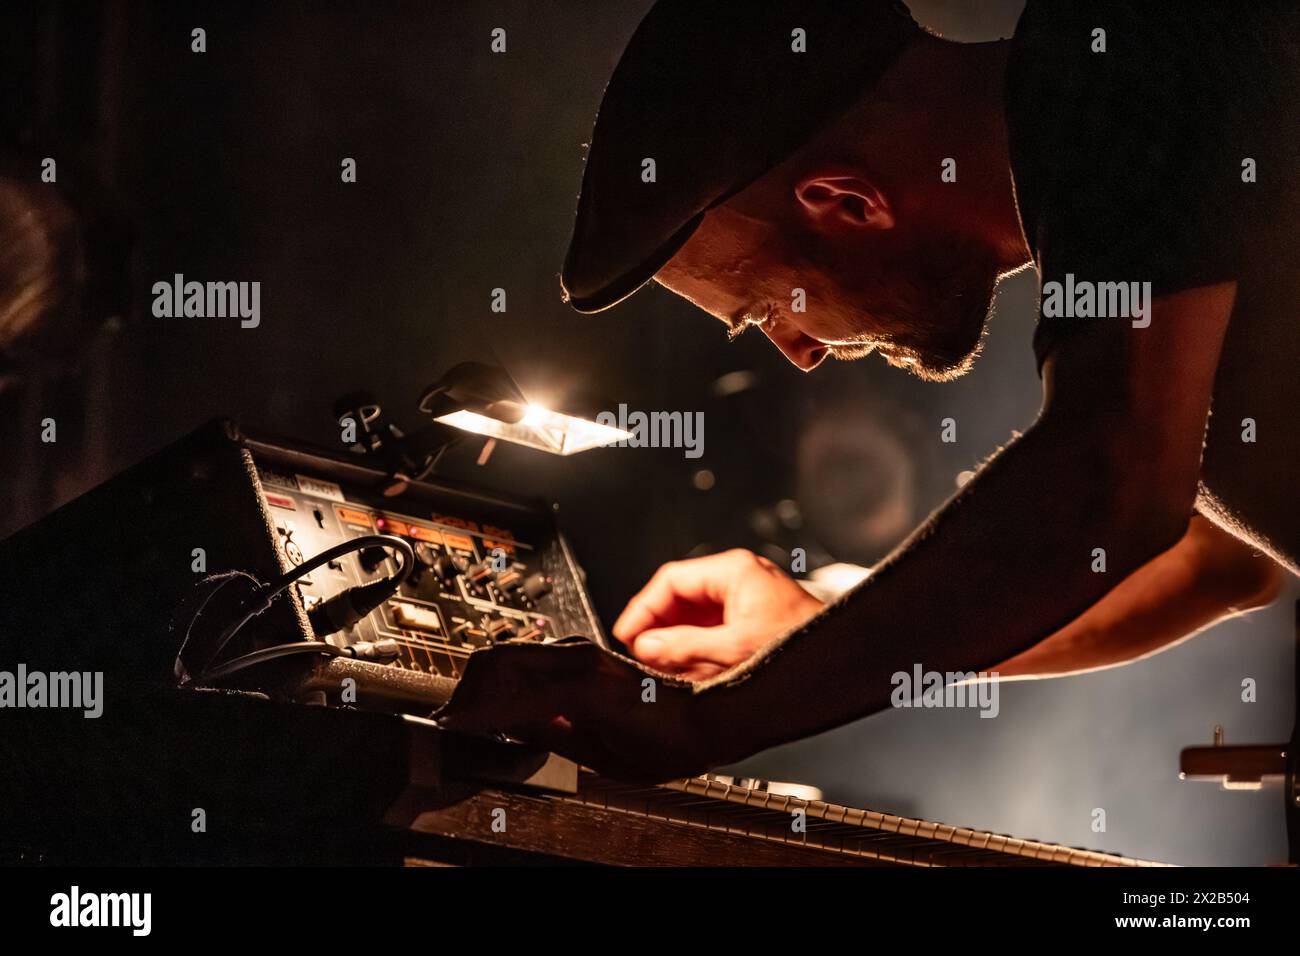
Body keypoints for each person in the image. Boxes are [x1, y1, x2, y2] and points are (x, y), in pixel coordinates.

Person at [437, 0, 1298, 782]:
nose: (803, 354)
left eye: (769, 309)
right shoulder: (1167, 195)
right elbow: (1215, 561)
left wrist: (708, 722)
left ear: (847, 201)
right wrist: (808, 628)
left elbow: (1110, 484)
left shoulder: (1130, 46)